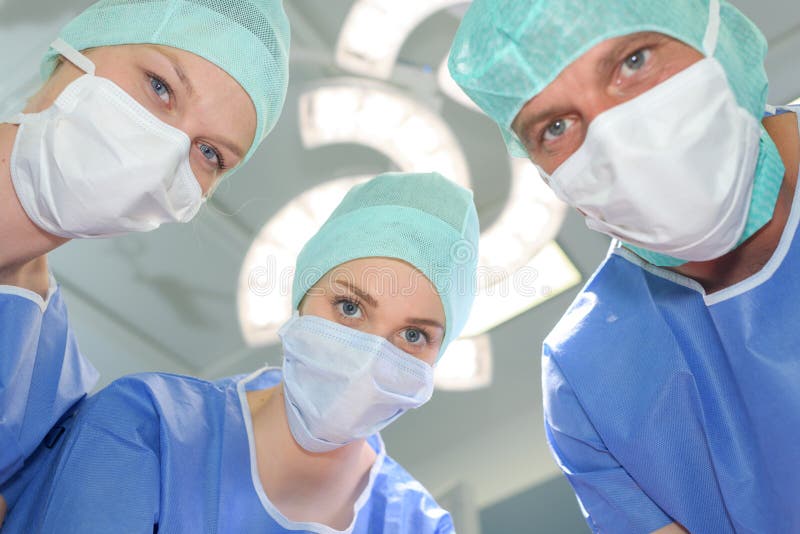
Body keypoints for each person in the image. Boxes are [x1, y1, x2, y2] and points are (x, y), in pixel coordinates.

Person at [448, 0, 800, 532]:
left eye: (633, 61)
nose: (616, 138)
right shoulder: (590, 377)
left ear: (713, 34)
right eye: (556, 126)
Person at [0, 171, 479, 533]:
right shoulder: (151, 426)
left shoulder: (419, 524)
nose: (369, 355)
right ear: (301, 299)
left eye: (414, 336)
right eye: (350, 307)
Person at [0, 0, 290, 492]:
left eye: (209, 153)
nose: (163, 152)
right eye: (160, 87)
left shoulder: (44, 385)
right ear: (80, 44)